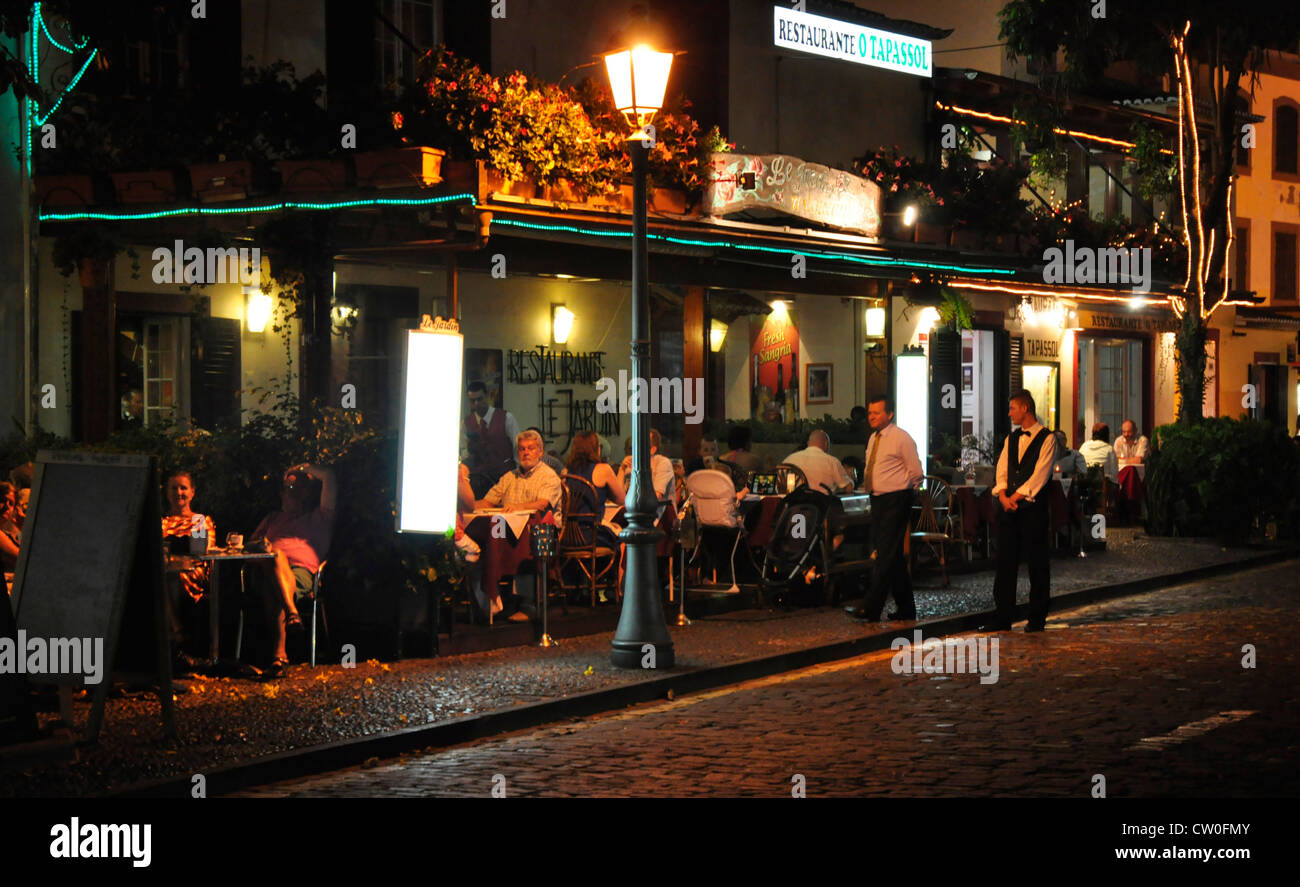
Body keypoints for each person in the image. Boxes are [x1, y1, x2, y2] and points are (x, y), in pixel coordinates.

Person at [250, 463, 335, 674]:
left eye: (301, 487)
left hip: (301, 573)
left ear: (309, 492)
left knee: (274, 585)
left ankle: (279, 655)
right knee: (275, 558)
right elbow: (249, 546)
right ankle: (292, 613)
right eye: (290, 487)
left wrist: (304, 466)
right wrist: (261, 546)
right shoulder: (272, 518)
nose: (295, 492)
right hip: (265, 569)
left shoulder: (321, 516)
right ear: (281, 493)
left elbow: (329, 476)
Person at [845, 394, 923, 623]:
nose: (871, 417)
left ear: (889, 414)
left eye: (877, 412)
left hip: (896, 498)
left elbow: (916, 471)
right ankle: (906, 607)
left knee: (885, 554)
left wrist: (907, 491)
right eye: (870, 413)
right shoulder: (873, 439)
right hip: (878, 498)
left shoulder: (901, 438)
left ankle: (872, 606)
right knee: (893, 555)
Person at [985, 390, 1056, 633]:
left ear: (1025, 408)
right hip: (1009, 509)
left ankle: (1037, 618)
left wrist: (1016, 496)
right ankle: (1002, 616)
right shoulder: (1011, 438)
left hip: (1032, 508)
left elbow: (1041, 474)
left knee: (1036, 563)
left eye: (1012, 408)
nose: (1009, 413)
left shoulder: (1048, 438)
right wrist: (1003, 495)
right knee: (1005, 563)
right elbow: (1002, 469)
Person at [475, 430, 564, 621]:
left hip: (542, 533)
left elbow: (542, 504)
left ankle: (528, 604)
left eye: (531, 448)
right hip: (509, 530)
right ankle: (493, 599)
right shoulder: (509, 477)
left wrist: (516, 507)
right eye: (522, 449)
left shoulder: (548, 476)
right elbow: (488, 501)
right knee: (488, 537)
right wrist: (466, 504)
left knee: (524, 540)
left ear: (540, 452)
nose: (526, 453)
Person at [160, 471, 215, 668]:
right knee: (163, 578)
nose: (179, 492)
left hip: (193, 572)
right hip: (167, 572)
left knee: (171, 578)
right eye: (174, 488)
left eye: (183, 487)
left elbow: (202, 554)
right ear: (167, 493)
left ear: (192, 492)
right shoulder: (163, 522)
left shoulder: (199, 520)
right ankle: (177, 632)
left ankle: (176, 634)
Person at [565, 430, 626, 550]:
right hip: (592, 534)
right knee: (625, 540)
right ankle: (615, 569)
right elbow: (622, 500)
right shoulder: (603, 469)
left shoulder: (566, 472)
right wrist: (622, 471)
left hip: (567, 536)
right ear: (596, 448)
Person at [461, 381, 519, 497]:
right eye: (473, 401)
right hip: (478, 482)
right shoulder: (465, 424)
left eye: (480, 399)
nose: (477, 403)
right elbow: (463, 451)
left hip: (504, 478)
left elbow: (516, 447)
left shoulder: (507, 418)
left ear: (487, 396)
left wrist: (519, 475)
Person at [782, 430, 854, 494]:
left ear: (808, 443)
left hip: (792, 505)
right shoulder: (831, 461)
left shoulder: (790, 459)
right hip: (821, 506)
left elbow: (778, 483)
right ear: (826, 444)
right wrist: (849, 477)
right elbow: (848, 488)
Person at [617, 428, 676, 501]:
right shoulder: (631, 464)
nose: (636, 448)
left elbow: (656, 496)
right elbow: (618, 497)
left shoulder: (663, 463)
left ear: (653, 450)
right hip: (633, 511)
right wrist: (622, 469)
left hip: (659, 511)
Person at [0, 482, 21, 579]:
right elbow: (22, 561)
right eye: (2, 500)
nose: (7, 506)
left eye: (11, 503)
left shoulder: (8, 535)